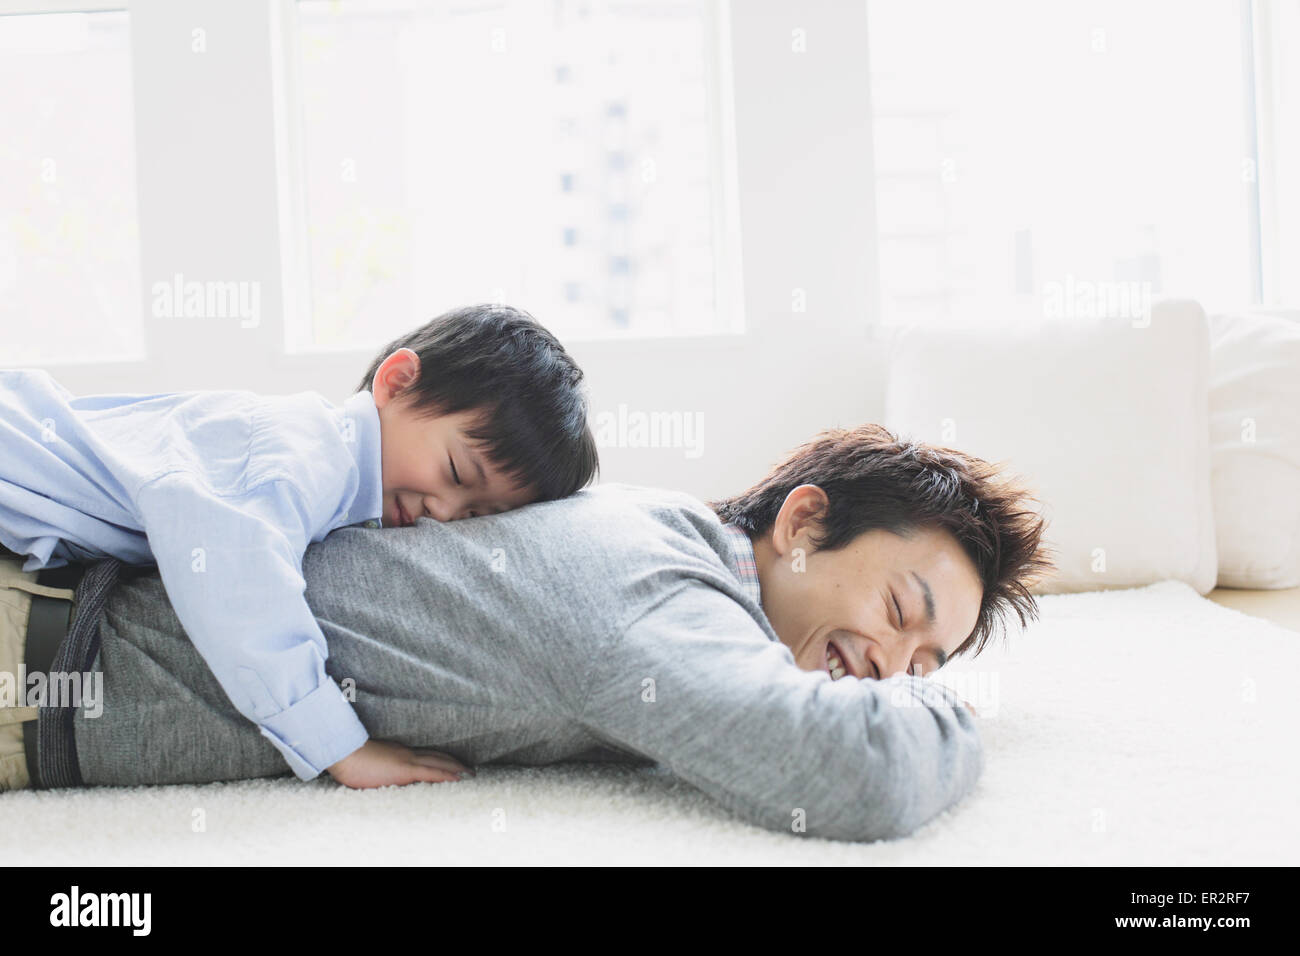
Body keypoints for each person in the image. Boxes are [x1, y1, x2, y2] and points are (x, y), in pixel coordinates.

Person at [17, 423, 1054, 842]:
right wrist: (943, 706)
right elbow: (853, 775)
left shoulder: (665, 554)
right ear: (803, 521)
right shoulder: (655, 584)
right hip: (34, 649)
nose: (891, 669)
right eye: (899, 615)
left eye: (926, 661)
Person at [0, 303, 598, 792]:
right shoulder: (300, 453)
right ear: (397, 381)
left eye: (476, 513)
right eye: (456, 473)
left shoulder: (332, 483)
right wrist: (341, 744)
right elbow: (239, 587)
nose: (443, 512)